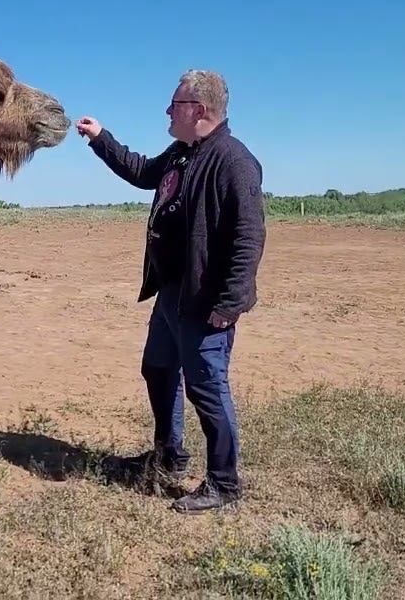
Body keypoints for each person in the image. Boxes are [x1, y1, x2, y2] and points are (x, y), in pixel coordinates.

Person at [76, 69, 266, 513]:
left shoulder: (233, 161)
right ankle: (168, 457)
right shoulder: (182, 153)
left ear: (198, 110)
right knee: (158, 370)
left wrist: (230, 303)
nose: (167, 111)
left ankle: (224, 484)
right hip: (171, 294)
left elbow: (249, 237)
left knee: (207, 389)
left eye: (174, 105)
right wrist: (101, 138)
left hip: (204, 300)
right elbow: (142, 172)